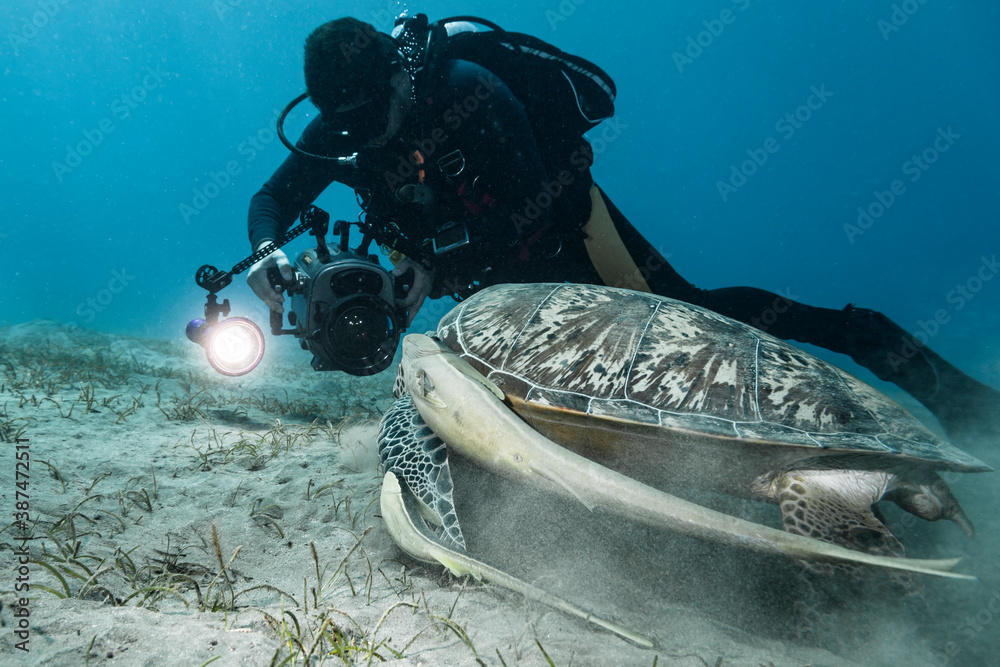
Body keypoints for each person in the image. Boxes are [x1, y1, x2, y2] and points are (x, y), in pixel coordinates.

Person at [246, 16, 999, 447]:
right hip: (485, 280)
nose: (359, 141)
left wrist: (427, 263)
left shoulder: (468, 92)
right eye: (342, 127)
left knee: (698, 315)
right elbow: (269, 199)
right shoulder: (342, 124)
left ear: (399, 83)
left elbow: (530, 210)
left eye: (369, 121)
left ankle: (883, 348)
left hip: (566, 235)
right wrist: (267, 253)